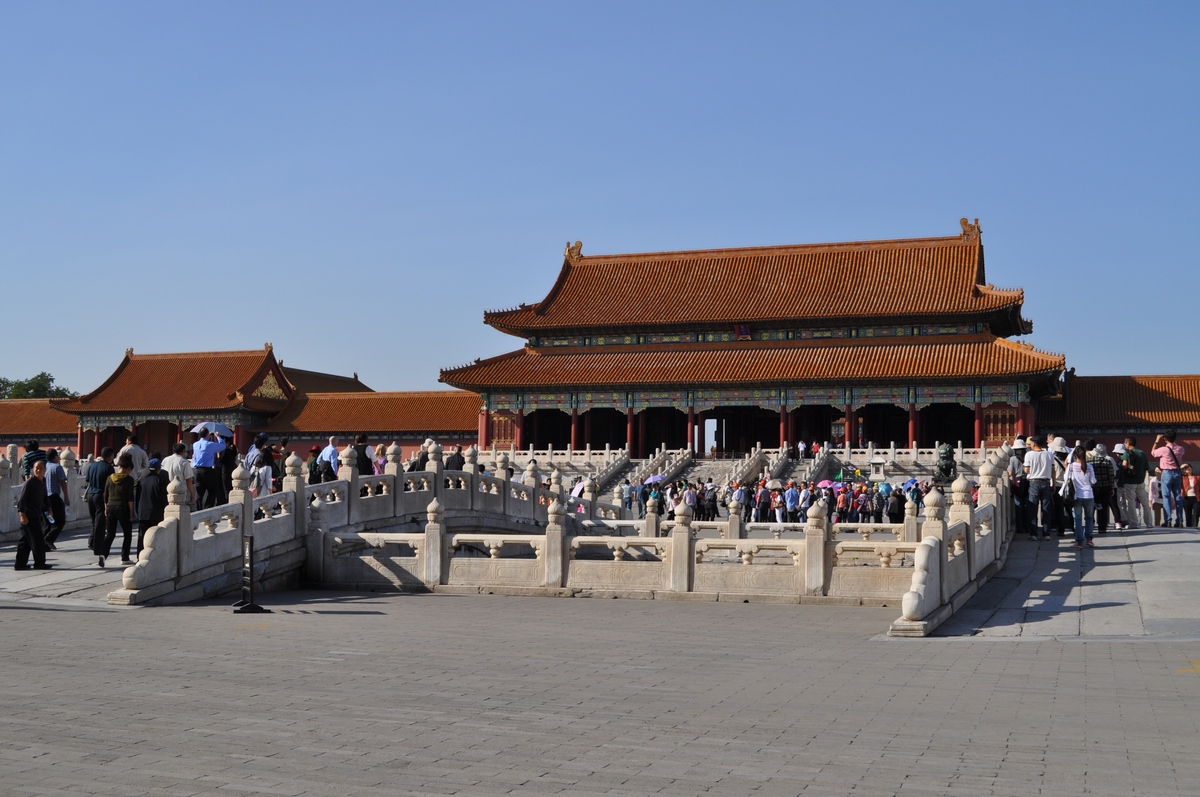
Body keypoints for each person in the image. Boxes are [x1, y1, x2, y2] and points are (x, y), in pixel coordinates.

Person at [98, 453, 136, 567]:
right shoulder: (129, 479)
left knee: (110, 534)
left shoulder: (110, 478)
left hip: (110, 507)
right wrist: (131, 512)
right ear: (128, 469)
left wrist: (106, 508)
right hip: (123, 508)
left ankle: (103, 554)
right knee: (127, 533)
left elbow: (105, 495)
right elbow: (130, 498)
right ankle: (125, 557)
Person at [14, 460, 52, 570]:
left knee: (25, 541)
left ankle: (20, 564)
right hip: (29, 516)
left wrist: (49, 508)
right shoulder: (30, 482)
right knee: (38, 541)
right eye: (36, 468)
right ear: (33, 469)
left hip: (36, 514)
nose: (38, 470)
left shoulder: (43, 481)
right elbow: (22, 499)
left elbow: (44, 497)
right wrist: (22, 514)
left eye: (41, 468)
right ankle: (39, 563)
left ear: (45, 470)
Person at [1063, 445, 1097, 549]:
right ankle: (1089, 539)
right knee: (1089, 518)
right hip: (1089, 495)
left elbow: (1066, 479)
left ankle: (1079, 541)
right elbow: (1093, 481)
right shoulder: (1089, 467)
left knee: (1077, 519)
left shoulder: (1071, 466)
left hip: (1076, 495)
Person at [1024, 435, 1056, 541]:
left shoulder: (1029, 455)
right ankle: (1046, 533)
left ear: (1033, 444)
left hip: (1034, 482)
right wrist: (1054, 484)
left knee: (1032, 508)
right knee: (1046, 508)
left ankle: (1033, 533)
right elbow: (1053, 470)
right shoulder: (1049, 454)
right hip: (1046, 482)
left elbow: (1027, 470)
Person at [1151, 431, 1186, 528]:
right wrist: (1173, 441)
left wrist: (1157, 440)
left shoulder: (1163, 449)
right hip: (1177, 473)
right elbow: (1179, 449)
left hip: (1166, 473)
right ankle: (1179, 521)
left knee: (1166, 497)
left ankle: (1168, 520)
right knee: (1178, 497)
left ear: (1165, 439)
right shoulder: (1180, 448)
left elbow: (1153, 453)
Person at [134, 458, 168, 555]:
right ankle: (154, 555)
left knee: (142, 536)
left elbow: (138, 497)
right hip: (155, 512)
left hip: (142, 512)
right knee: (155, 536)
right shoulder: (159, 480)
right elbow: (163, 498)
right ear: (158, 469)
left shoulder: (142, 480)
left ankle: (140, 555)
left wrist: (138, 510)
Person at [85, 447, 116, 551]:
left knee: (94, 521)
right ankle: (98, 546)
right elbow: (111, 485)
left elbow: (87, 480)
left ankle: (91, 541)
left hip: (90, 494)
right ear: (110, 456)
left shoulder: (93, 465)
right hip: (100, 495)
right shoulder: (109, 468)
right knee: (100, 522)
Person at [1118, 437, 1152, 529]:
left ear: (1128, 443)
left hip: (1129, 481)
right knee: (1145, 502)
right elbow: (1145, 469)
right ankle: (1149, 523)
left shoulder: (1126, 453)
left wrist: (1124, 468)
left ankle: (1134, 523)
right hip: (1140, 481)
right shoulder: (1142, 453)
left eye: (1125, 443)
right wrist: (1142, 479)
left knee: (1131, 502)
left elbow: (1124, 465)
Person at [42, 448, 71, 550]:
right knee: (60, 521)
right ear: (55, 457)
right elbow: (63, 483)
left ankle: (43, 545)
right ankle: (49, 539)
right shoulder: (57, 467)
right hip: (54, 497)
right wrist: (66, 497)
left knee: (47, 523)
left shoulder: (43, 467)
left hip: (44, 497)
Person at [1087, 442, 1116, 534]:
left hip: (1093, 487)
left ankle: (1090, 526)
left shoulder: (1089, 462)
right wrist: (1112, 488)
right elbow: (1111, 476)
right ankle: (1102, 528)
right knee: (1103, 508)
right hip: (1105, 487)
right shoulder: (1108, 462)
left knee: (1091, 508)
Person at [190, 432, 226, 508]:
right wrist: (218, 437)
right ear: (207, 435)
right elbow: (223, 446)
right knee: (213, 491)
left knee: (199, 493)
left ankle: (199, 510)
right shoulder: (210, 444)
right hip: (207, 471)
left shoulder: (195, 444)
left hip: (197, 470)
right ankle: (207, 508)